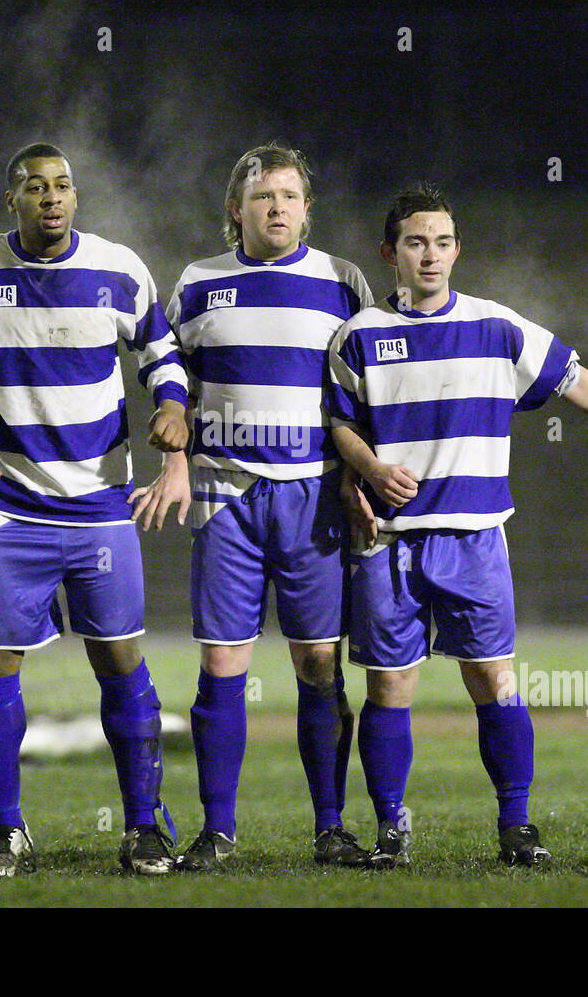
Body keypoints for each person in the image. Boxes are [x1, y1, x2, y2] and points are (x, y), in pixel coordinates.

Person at [327, 185, 588, 868]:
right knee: (389, 688)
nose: (431, 254)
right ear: (391, 253)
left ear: (457, 250)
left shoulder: (497, 327)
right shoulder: (359, 337)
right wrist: (371, 469)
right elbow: (341, 424)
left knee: (494, 681)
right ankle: (391, 830)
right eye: (416, 242)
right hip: (389, 541)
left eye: (442, 241)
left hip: (473, 536)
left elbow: (571, 376)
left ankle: (516, 826)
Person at [0, 142, 190, 876]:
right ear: (11, 199)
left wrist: (172, 407)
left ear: (76, 196)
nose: (51, 197)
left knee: (119, 658)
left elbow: (161, 352)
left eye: (63, 185)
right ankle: (7, 830)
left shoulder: (118, 269)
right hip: (7, 505)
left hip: (100, 504)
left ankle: (143, 826)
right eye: (35, 187)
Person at [136, 144, 374, 868]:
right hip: (226, 497)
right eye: (263, 196)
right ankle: (219, 830)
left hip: (313, 498)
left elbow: (370, 384)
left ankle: (330, 828)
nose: (277, 207)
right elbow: (168, 382)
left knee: (317, 666)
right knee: (223, 663)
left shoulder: (342, 280)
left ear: (307, 208)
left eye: (290, 195)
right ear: (234, 210)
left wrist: (357, 477)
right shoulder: (201, 284)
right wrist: (174, 460)